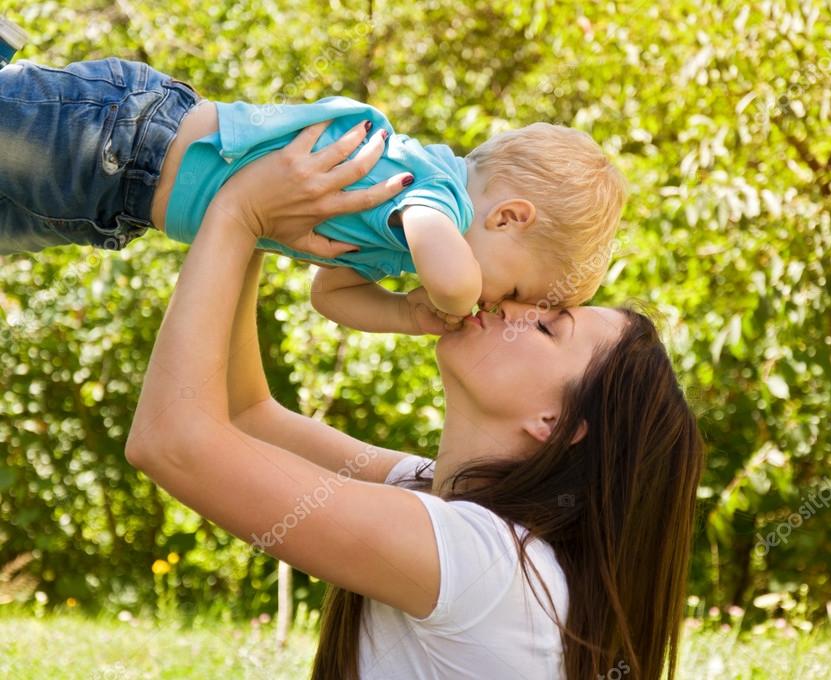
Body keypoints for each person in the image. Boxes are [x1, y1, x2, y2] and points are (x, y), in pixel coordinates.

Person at [125, 123, 705, 678]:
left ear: (554, 423)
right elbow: (247, 416)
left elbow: (172, 442)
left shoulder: (490, 566)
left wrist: (236, 208)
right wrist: (260, 224)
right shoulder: (446, 498)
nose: (514, 308)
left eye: (549, 326)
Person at [0, 53, 626, 334]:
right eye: (513, 291)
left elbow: (329, 294)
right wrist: (459, 304)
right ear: (509, 217)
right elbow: (458, 283)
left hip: (111, 207)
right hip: (126, 136)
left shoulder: (401, 245)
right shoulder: (434, 191)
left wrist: (402, 314)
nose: (499, 308)